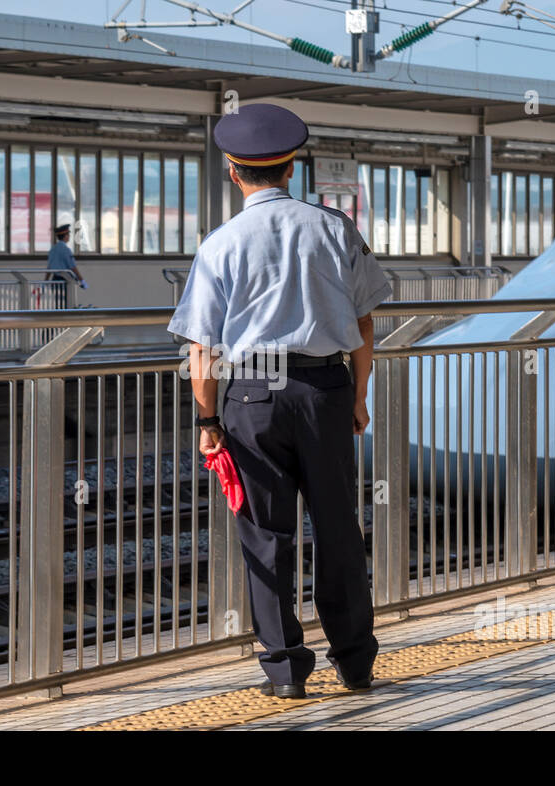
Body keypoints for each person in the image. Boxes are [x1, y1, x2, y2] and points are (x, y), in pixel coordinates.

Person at [168, 103, 391, 700]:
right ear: (291, 168)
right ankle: (355, 663)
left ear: (235, 174)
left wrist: (208, 420)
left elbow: (202, 347)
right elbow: (367, 324)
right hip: (325, 389)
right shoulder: (336, 227)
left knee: (266, 534)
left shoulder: (219, 244)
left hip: (250, 397)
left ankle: (286, 671)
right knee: (339, 527)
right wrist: (358, 396)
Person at [44, 224, 87, 309]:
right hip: (65, 280)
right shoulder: (66, 250)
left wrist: (45, 282)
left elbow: (49, 267)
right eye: (68, 235)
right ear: (65, 236)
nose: (69, 237)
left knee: (59, 303)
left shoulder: (53, 249)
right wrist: (82, 280)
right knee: (67, 303)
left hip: (55, 279)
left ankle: (58, 318)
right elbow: (72, 267)